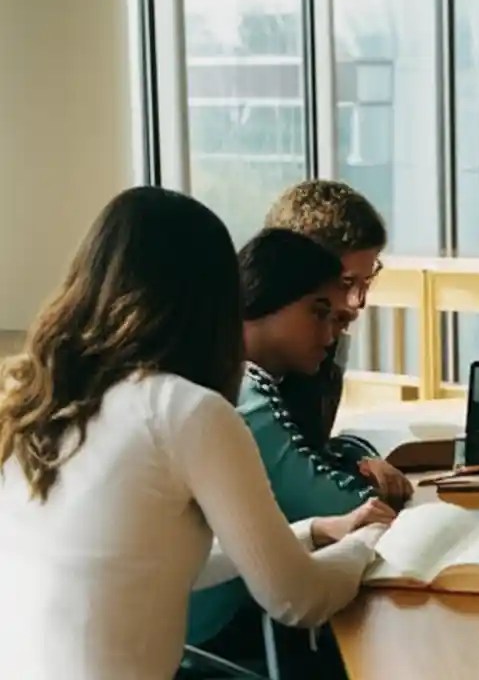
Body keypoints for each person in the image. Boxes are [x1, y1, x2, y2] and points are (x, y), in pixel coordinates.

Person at [0, 187, 387, 679]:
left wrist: (310, 532)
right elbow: (298, 600)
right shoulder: (186, 410)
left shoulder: (42, 403)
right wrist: (370, 542)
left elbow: (155, 564)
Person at [187, 228, 403, 664]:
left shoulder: (243, 383)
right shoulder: (244, 394)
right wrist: (380, 518)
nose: (332, 334)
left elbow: (313, 454)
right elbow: (315, 497)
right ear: (260, 300)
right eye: (319, 314)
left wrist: (355, 458)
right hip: (204, 642)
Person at [264, 180, 411, 503]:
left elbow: (311, 445)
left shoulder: (322, 346)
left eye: (367, 282)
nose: (357, 304)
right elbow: (300, 490)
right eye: (346, 283)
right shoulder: (239, 378)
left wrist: (358, 459)